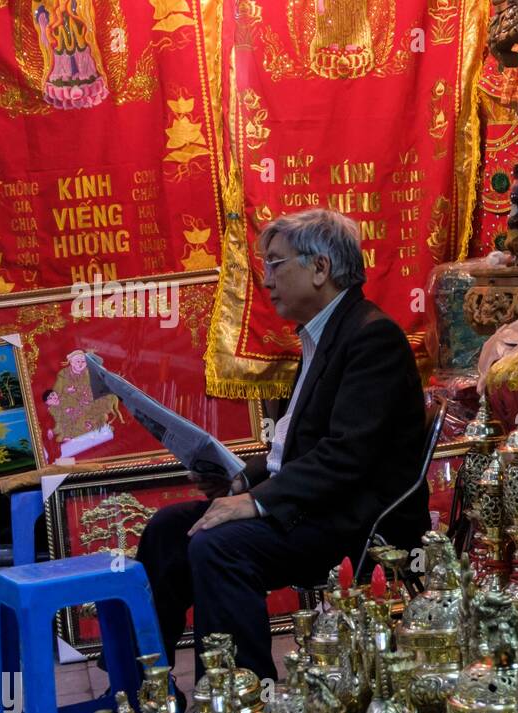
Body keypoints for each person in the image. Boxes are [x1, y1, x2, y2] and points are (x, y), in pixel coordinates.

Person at [136, 208, 429, 686]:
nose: (265, 278)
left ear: (320, 269)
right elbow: (296, 448)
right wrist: (238, 478)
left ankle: (244, 695)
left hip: (353, 519)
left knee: (220, 546)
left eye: (275, 263)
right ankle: (142, 687)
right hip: (313, 506)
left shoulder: (372, 337)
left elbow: (345, 457)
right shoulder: (322, 335)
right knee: (170, 529)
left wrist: (253, 502)